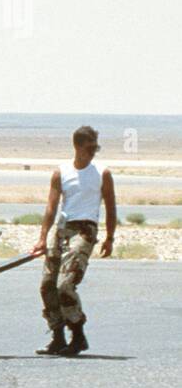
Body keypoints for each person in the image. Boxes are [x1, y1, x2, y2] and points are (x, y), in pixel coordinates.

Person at [30, 125, 116, 356]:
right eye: (90, 147)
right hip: (61, 230)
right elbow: (50, 208)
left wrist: (109, 237)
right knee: (47, 285)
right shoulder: (61, 172)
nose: (93, 152)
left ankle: (78, 334)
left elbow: (110, 206)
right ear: (77, 146)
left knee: (64, 285)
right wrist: (42, 238)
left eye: (95, 147)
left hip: (85, 230)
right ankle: (58, 337)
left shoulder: (102, 173)